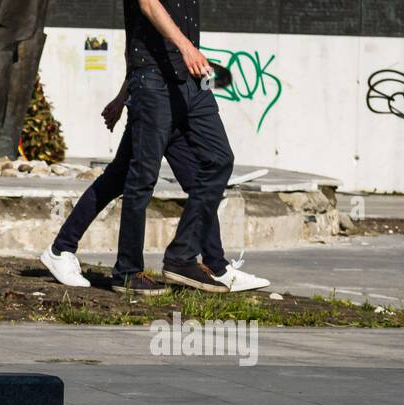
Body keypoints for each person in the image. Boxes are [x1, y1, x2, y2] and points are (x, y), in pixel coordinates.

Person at [49, 0, 238, 297]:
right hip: (156, 80)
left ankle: (187, 259)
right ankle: (127, 271)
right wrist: (169, 61)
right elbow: (146, 8)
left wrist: (122, 92)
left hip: (187, 81)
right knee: (138, 177)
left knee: (218, 160)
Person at [40, 107, 270, 293]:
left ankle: (217, 265)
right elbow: (137, 52)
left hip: (170, 107)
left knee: (197, 182)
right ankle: (61, 250)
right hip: (152, 107)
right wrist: (124, 97)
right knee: (120, 179)